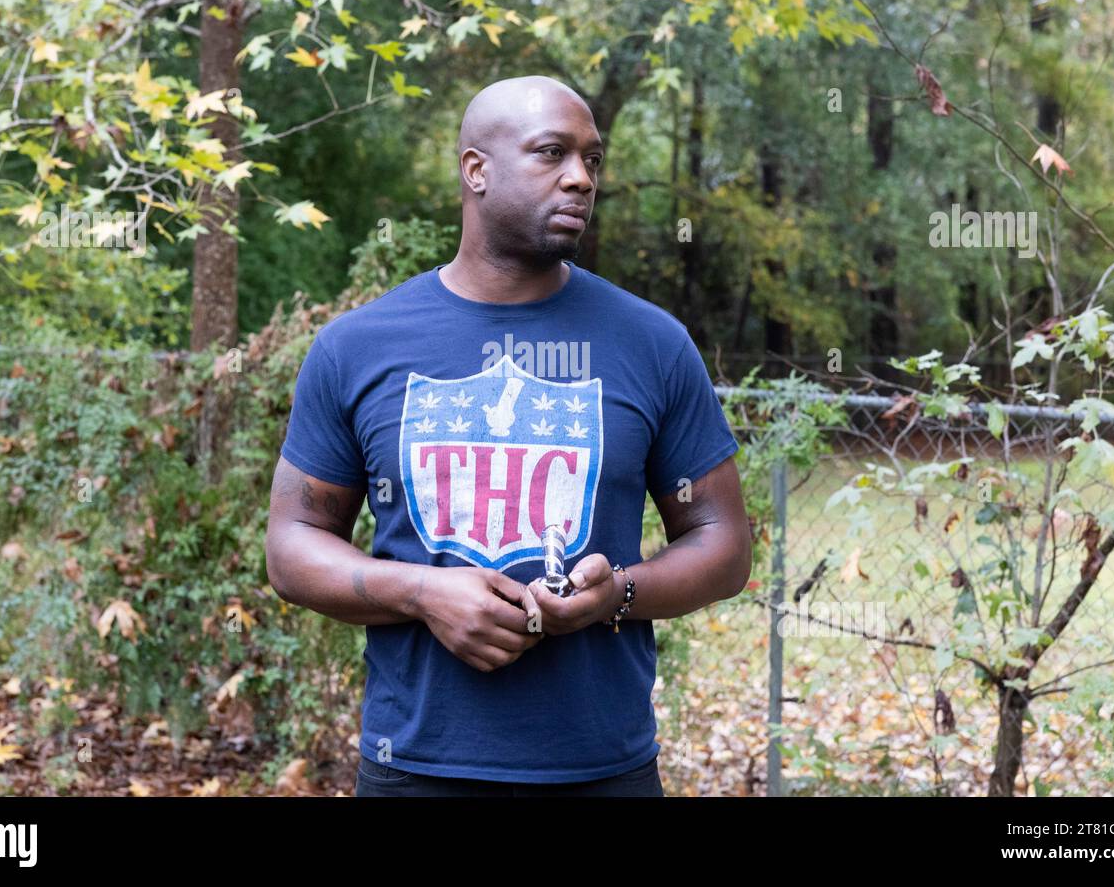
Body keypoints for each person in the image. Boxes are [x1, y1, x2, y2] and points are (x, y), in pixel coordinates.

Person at [265, 74, 751, 796]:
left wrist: (616, 592)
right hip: (416, 770)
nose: (581, 178)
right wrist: (422, 592)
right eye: (552, 153)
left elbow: (724, 543)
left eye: (592, 159)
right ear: (476, 170)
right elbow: (292, 545)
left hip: (602, 771)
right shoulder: (359, 347)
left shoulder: (651, 343)